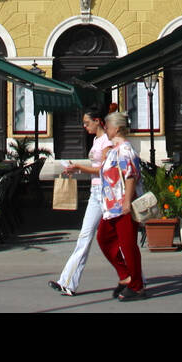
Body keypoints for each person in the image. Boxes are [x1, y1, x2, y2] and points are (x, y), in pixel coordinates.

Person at [49, 107, 112, 297]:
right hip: (95, 192)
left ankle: (136, 278)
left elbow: (105, 169)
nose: (84, 126)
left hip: (106, 193)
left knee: (117, 239)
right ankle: (67, 281)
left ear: (98, 121)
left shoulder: (107, 141)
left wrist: (80, 168)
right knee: (84, 236)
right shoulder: (95, 140)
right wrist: (76, 169)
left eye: (87, 122)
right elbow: (94, 167)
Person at [96, 110, 144, 300]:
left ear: (116, 128)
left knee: (128, 245)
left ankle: (137, 286)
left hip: (123, 205)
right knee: (104, 238)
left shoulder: (125, 150)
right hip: (111, 206)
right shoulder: (116, 150)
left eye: (107, 126)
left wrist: (126, 202)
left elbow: (130, 176)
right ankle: (125, 275)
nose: (106, 129)